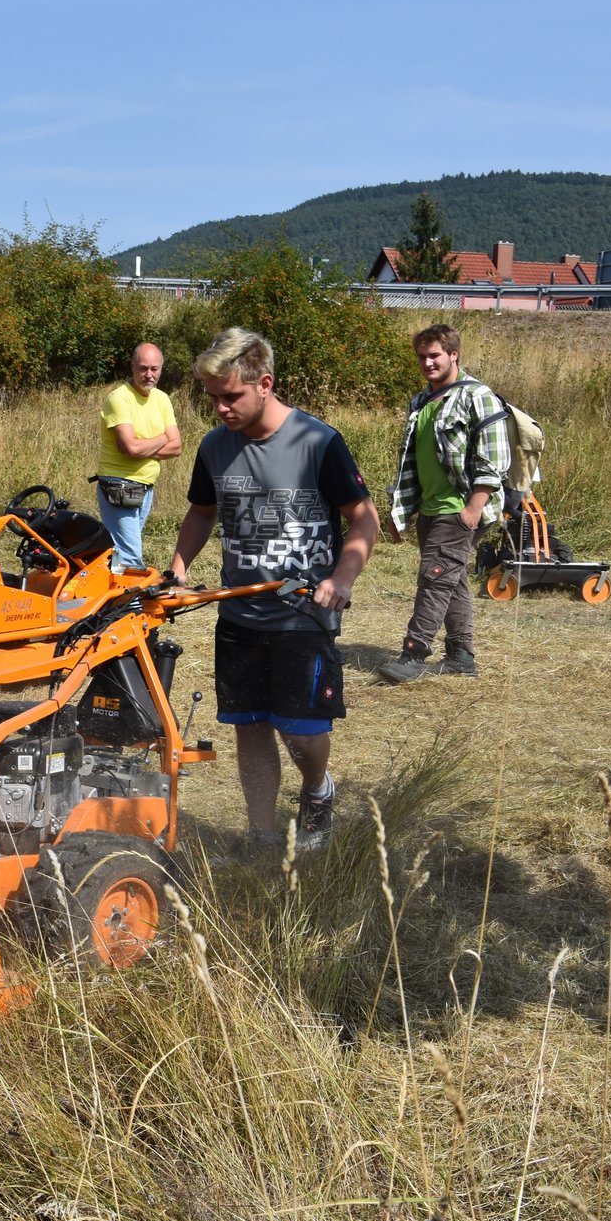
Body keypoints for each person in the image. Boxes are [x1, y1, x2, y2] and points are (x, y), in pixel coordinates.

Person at [166, 328, 379, 853]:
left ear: (265, 383)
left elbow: (363, 517)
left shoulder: (317, 442)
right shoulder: (215, 447)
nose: (219, 408)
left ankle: (317, 789)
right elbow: (202, 510)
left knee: (301, 733)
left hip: (302, 613)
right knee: (251, 726)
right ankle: (261, 833)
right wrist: (177, 566)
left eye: (230, 396)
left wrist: (342, 579)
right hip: (238, 614)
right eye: (212, 397)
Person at [376, 323, 509, 685]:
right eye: (421, 356)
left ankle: (414, 653)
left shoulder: (476, 395)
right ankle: (461, 656)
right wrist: (398, 512)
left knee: (434, 579)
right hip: (431, 509)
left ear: (454, 354)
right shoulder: (421, 401)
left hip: (460, 508)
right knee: (452, 579)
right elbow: (411, 464)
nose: (427, 363)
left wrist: (473, 508)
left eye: (434, 355)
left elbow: (494, 458)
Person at [93, 341, 182, 569]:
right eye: (143, 368)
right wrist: (163, 438)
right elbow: (131, 448)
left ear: (162, 368)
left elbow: (177, 447)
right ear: (132, 367)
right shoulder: (119, 398)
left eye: (155, 369)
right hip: (118, 485)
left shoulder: (162, 399)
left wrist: (142, 447)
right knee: (131, 558)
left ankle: (107, 597)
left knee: (121, 556)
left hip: (146, 485)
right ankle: (133, 604)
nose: (149, 375)